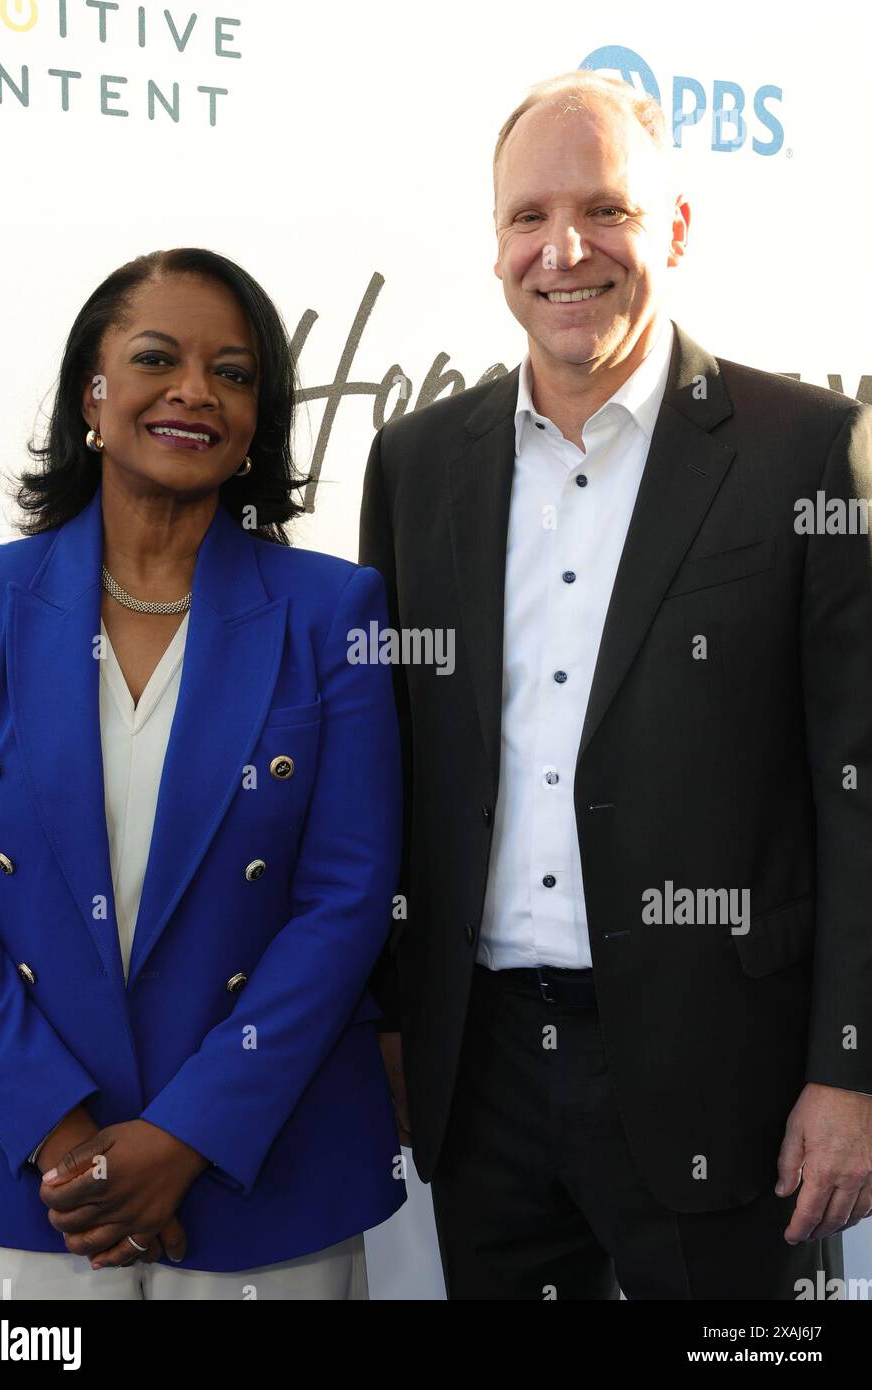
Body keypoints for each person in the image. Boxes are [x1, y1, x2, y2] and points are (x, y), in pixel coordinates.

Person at [361, 72, 872, 1299]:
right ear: (495, 246)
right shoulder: (418, 462)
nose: (564, 250)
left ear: (676, 229)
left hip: (735, 1084)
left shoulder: (807, 446)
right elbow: (390, 774)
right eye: (528, 218)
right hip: (481, 1076)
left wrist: (849, 1069)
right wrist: (389, 1032)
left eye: (606, 211)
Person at [0, 246, 404, 1299]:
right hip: (23, 1182)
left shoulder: (336, 613)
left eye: (234, 374)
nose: (196, 390)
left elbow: (347, 902)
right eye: (158, 358)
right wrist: (65, 1141)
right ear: (90, 395)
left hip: (262, 1179)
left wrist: (187, 1135)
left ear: (255, 423)